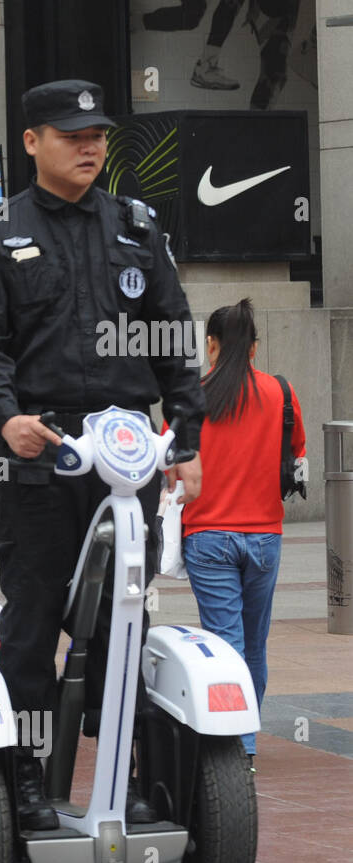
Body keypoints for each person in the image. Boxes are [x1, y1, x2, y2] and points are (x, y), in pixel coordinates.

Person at [0, 80, 206, 830]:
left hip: (124, 462)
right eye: (71, 135)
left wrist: (184, 440)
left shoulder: (135, 225)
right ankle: (23, 779)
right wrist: (7, 419)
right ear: (32, 142)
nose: (90, 145)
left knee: (121, 627)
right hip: (40, 457)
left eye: (96, 133)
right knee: (31, 628)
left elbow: (172, 335)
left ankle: (123, 778)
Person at [180, 299, 304, 767]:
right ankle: (244, 743)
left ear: (211, 345)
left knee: (223, 642)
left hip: (208, 537)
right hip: (265, 538)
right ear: (254, 347)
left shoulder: (193, 396)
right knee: (254, 644)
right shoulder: (280, 393)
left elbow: (175, 467)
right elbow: (295, 452)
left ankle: (234, 748)